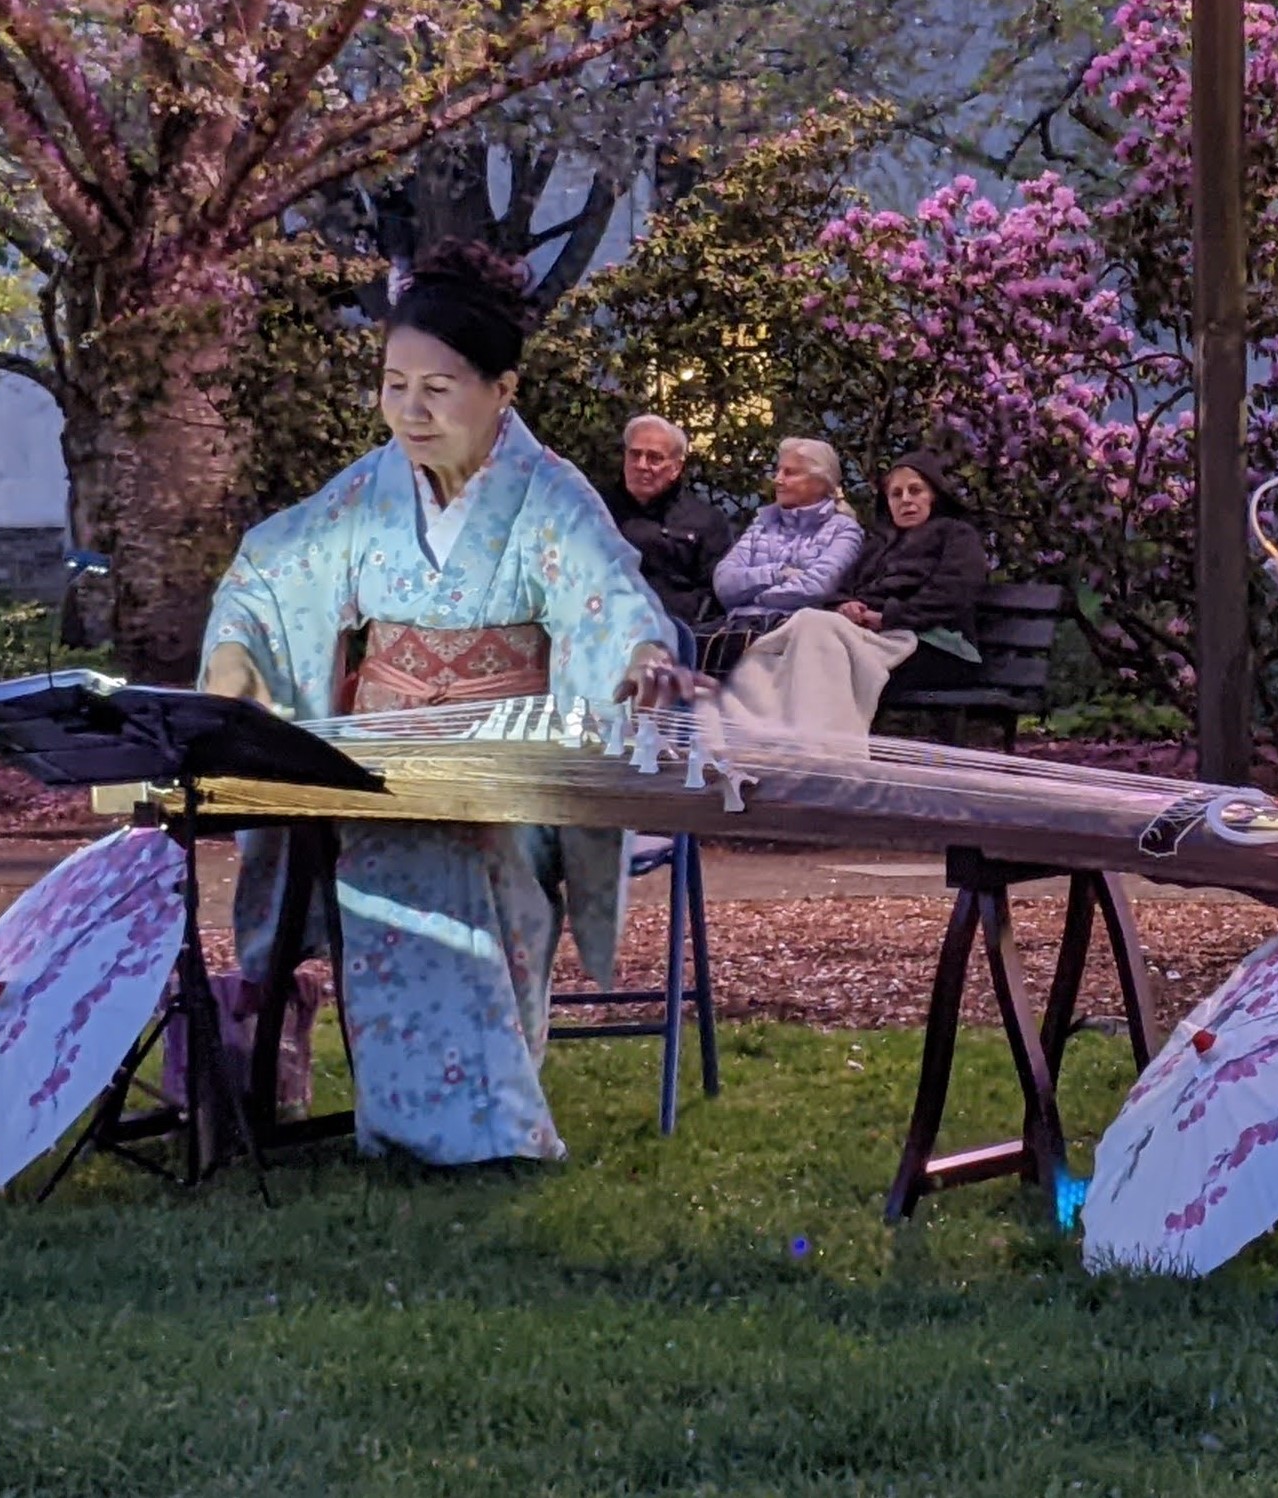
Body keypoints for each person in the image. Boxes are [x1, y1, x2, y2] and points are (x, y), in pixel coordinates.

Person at [197, 241, 696, 1167]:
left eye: (439, 388)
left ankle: (484, 1127)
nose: (410, 413)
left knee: (470, 848)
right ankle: (414, 1124)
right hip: (380, 753)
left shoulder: (550, 497)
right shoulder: (367, 491)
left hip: (504, 763)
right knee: (370, 837)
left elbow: (611, 594)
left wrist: (637, 660)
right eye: (394, 386)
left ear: (502, 388)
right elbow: (268, 571)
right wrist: (236, 656)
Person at [822, 449, 993, 690]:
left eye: (915, 490)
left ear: (933, 495)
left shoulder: (956, 534)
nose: (905, 499)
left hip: (937, 648)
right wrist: (845, 606)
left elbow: (952, 592)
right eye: (896, 494)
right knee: (808, 632)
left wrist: (888, 618)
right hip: (869, 639)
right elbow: (841, 590)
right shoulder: (877, 544)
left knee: (827, 661)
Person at [706, 437, 863, 651]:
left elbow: (817, 589)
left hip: (797, 637)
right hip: (737, 630)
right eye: (778, 471)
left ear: (820, 481)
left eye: (790, 473)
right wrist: (779, 573)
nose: (778, 480)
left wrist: (751, 597)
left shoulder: (844, 529)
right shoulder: (763, 523)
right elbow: (724, 584)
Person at [598, 414, 734, 629]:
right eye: (634, 455)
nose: (641, 465)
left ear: (676, 468)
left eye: (654, 458)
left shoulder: (705, 521)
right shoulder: (596, 510)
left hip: (675, 634)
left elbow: (716, 592)